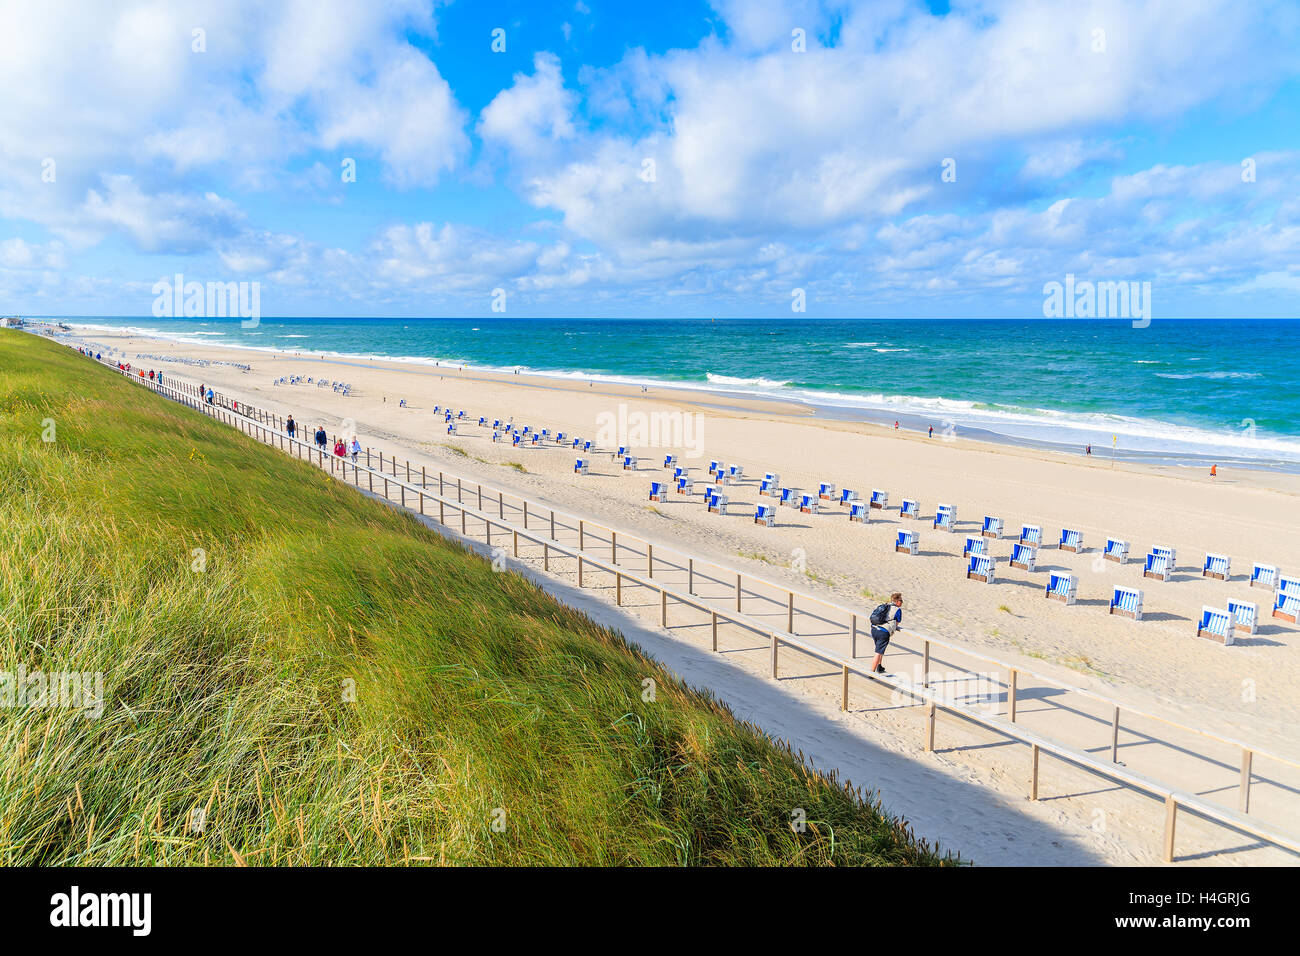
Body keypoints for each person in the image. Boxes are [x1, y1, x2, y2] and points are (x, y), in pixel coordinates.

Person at [868, 592, 904, 675]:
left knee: (879, 649)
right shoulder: (897, 610)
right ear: (897, 601)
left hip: (874, 628)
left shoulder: (885, 606)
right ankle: (871, 673)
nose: (902, 602)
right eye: (901, 600)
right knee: (878, 652)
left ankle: (879, 666)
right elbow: (897, 623)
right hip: (883, 632)